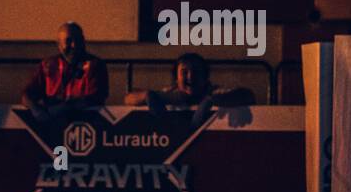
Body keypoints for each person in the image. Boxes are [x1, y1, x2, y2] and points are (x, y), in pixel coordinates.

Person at [123, 53, 255, 123]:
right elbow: (128, 99)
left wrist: (210, 100)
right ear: (176, 78)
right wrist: (148, 95)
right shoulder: (169, 92)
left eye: (196, 71)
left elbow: (248, 95)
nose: (190, 77)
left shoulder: (215, 92)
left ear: (205, 77)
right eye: (184, 72)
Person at [21, 22, 110, 122]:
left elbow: (95, 98)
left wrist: (63, 108)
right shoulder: (48, 65)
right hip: (51, 126)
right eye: (68, 41)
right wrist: (36, 110)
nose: (74, 45)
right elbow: (27, 94)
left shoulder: (95, 65)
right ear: (58, 44)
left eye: (78, 40)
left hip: (84, 125)